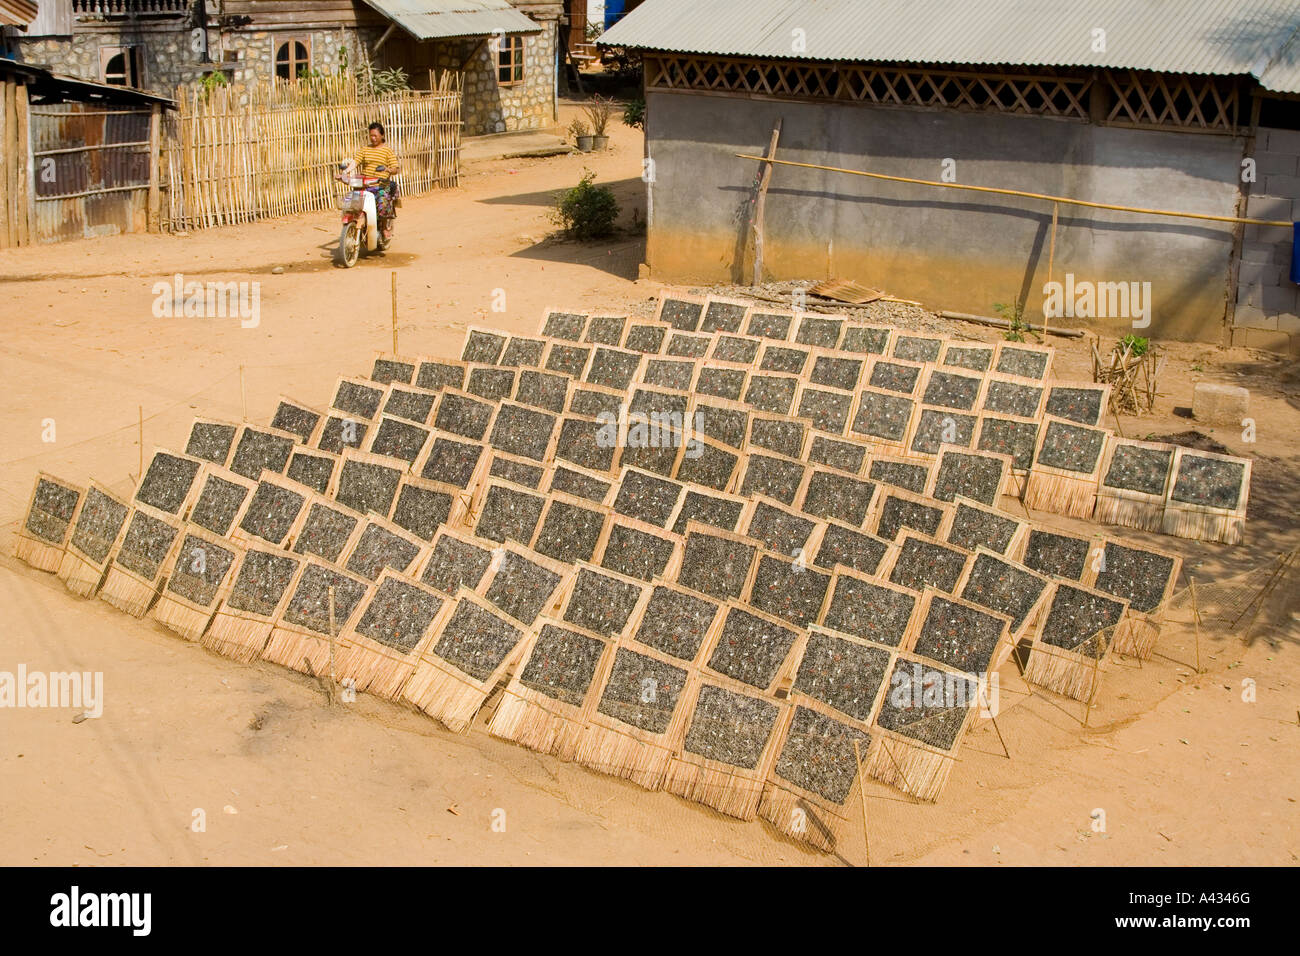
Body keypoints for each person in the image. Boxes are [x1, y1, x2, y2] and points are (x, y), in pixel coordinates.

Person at [342, 121, 400, 239]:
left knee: (382, 203)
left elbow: (395, 168)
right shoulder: (365, 149)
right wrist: (345, 172)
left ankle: (384, 227)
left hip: (380, 184)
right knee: (352, 202)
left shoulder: (387, 151)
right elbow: (356, 161)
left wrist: (388, 169)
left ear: (382, 135)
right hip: (365, 182)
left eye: (375, 136)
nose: (373, 138)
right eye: (371, 136)